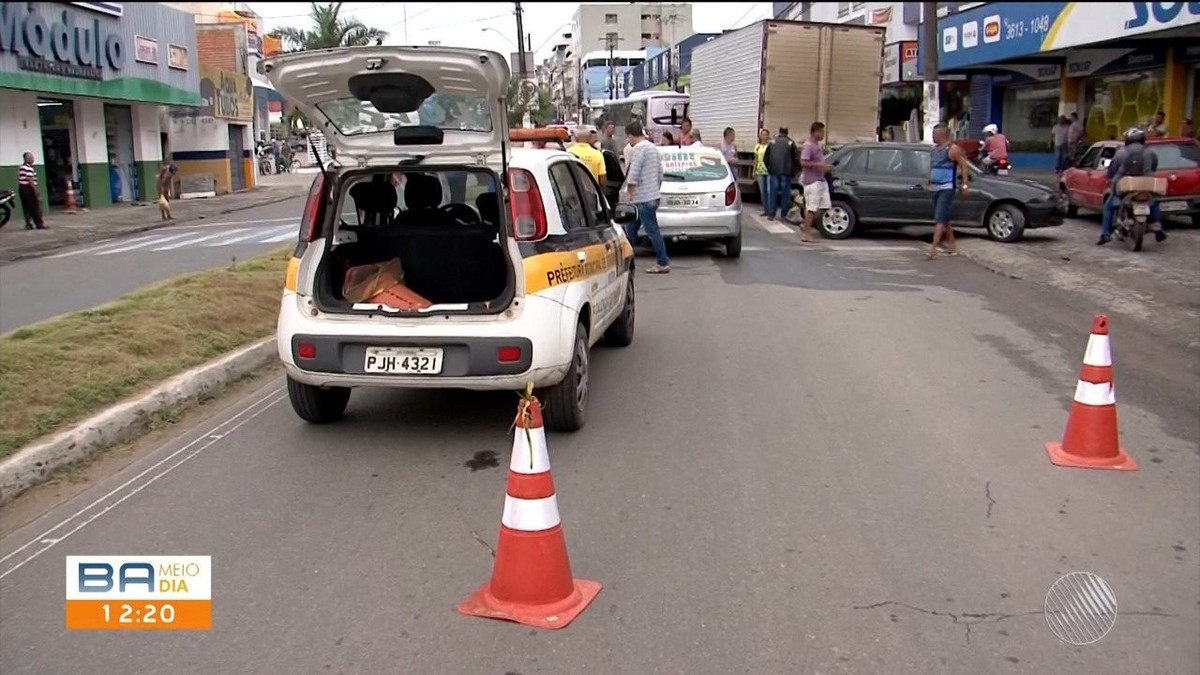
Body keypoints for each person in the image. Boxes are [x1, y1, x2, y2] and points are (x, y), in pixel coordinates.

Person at [1098, 127, 1166, 246]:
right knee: (1154, 203)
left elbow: (1111, 171)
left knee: (1108, 207)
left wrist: (1110, 177)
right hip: (1145, 186)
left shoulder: (1121, 152)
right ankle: (1159, 231)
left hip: (1124, 187)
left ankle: (1105, 234)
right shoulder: (1150, 152)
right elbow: (1154, 166)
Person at [622, 121, 670, 274]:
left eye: (627, 138)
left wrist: (629, 190)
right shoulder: (652, 148)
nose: (628, 141)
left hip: (642, 198)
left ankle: (663, 262)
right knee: (630, 227)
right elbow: (660, 173)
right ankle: (626, 260)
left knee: (652, 231)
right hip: (652, 196)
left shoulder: (639, 149)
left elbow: (634, 171)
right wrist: (656, 189)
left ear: (630, 135)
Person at [927, 123, 971, 259]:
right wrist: (928, 179)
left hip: (946, 187)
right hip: (934, 187)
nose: (933, 137)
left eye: (935, 134)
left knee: (939, 217)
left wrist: (964, 185)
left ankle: (933, 248)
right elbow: (931, 167)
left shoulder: (952, 149)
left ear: (942, 135)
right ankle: (952, 245)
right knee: (944, 217)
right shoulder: (934, 150)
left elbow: (964, 166)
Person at [798, 121, 833, 244]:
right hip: (812, 181)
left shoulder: (817, 145)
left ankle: (806, 224)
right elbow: (803, 162)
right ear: (815, 131)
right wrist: (819, 165)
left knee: (825, 207)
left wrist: (825, 167)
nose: (823, 134)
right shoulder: (808, 145)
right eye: (822, 131)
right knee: (812, 208)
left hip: (821, 180)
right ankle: (806, 234)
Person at [764, 126, 799, 221]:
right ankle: (784, 214)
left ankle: (771, 214)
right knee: (785, 194)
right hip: (786, 172)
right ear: (787, 133)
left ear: (779, 132)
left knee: (773, 193)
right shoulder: (791, 143)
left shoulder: (772, 142)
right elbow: (796, 158)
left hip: (774, 172)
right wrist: (794, 170)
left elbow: (765, 158)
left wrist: (769, 169)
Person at [17, 151, 46, 230]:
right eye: (31, 158)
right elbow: (30, 179)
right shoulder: (28, 168)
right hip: (28, 188)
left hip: (22, 188)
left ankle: (28, 224)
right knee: (35, 207)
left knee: (26, 207)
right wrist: (35, 190)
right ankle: (39, 224)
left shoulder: (21, 167)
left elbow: (20, 177)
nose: (33, 159)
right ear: (27, 159)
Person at [753, 128, 771, 217]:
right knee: (763, 192)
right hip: (760, 171)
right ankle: (765, 210)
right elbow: (755, 159)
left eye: (766, 134)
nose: (764, 136)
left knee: (769, 191)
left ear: (768, 136)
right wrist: (754, 171)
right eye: (763, 134)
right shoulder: (757, 146)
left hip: (769, 172)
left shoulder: (770, 146)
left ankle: (771, 210)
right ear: (760, 136)